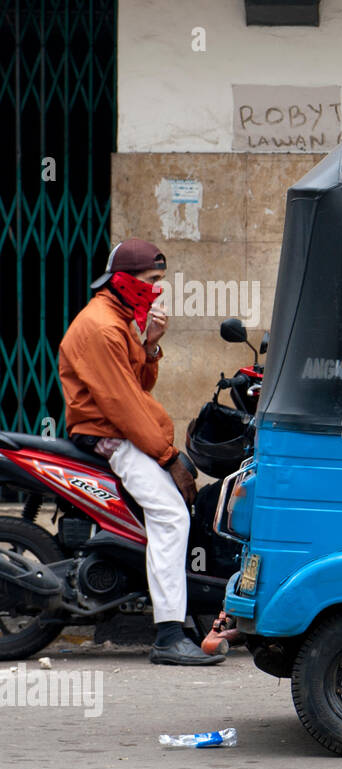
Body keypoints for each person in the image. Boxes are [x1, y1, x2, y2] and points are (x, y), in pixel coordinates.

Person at [59, 238, 227, 665]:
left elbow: (139, 385)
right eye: (151, 281)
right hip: (109, 434)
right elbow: (124, 405)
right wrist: (169, 457)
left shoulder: (119, 319)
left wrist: (151, 342)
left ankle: (180, 614)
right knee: (171, 515)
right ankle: (168, 635)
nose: (156, 290)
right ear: (125, 281)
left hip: (122, 428)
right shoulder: (102, 326)